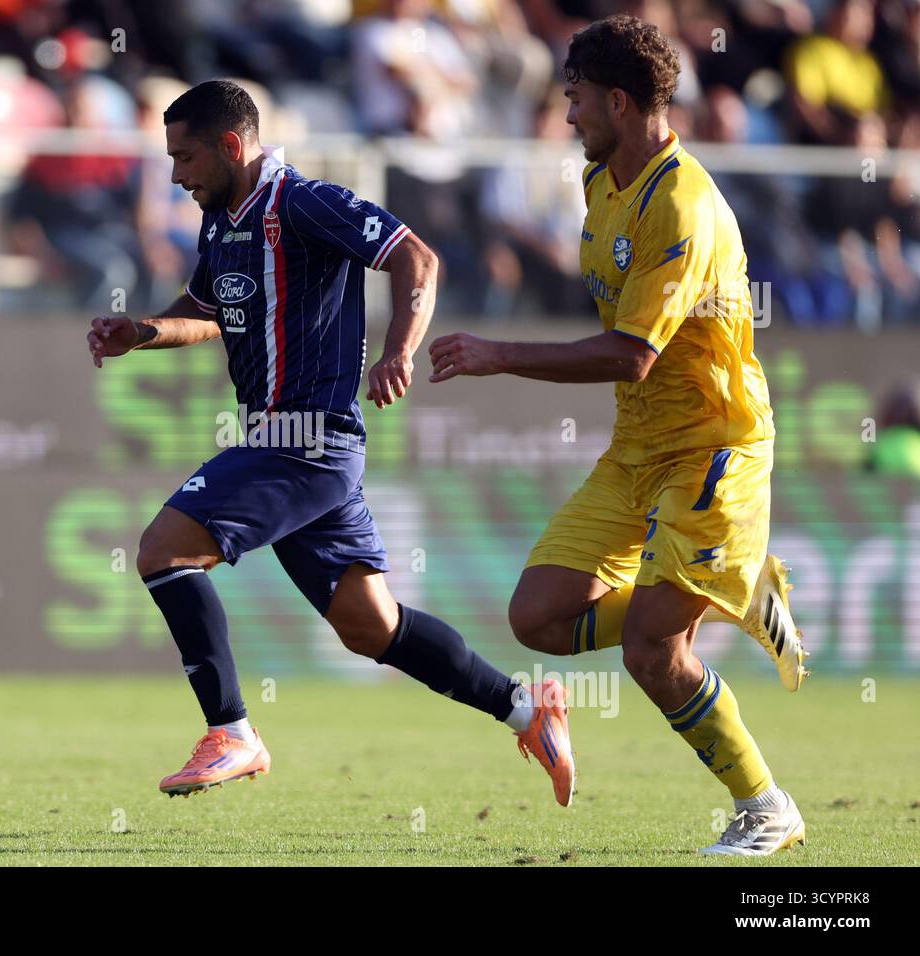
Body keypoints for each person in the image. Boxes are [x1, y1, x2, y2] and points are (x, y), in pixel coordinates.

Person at [86, 80, 576, 805]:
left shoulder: (305, 201)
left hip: (307, 438)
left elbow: (417, 257)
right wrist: (143, 332)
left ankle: (232, 732)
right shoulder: (220, 224)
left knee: (164, 550)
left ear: (231, 146)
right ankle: (529, 712)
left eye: (186, 157)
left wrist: (399, 350)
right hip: (286, 443)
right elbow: (207, 308)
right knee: (369, 626)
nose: (176, 175)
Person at [428, 16, 808, 855]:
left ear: (618, 100)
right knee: (538, 616)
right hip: (637, 448)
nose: (567, 118)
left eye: (574, 100)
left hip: (715, 445)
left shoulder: (682, 204)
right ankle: (737, 591)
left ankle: (766, 805)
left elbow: (632, 355)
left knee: (651, 650)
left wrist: (497, 354)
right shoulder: (604, 181)